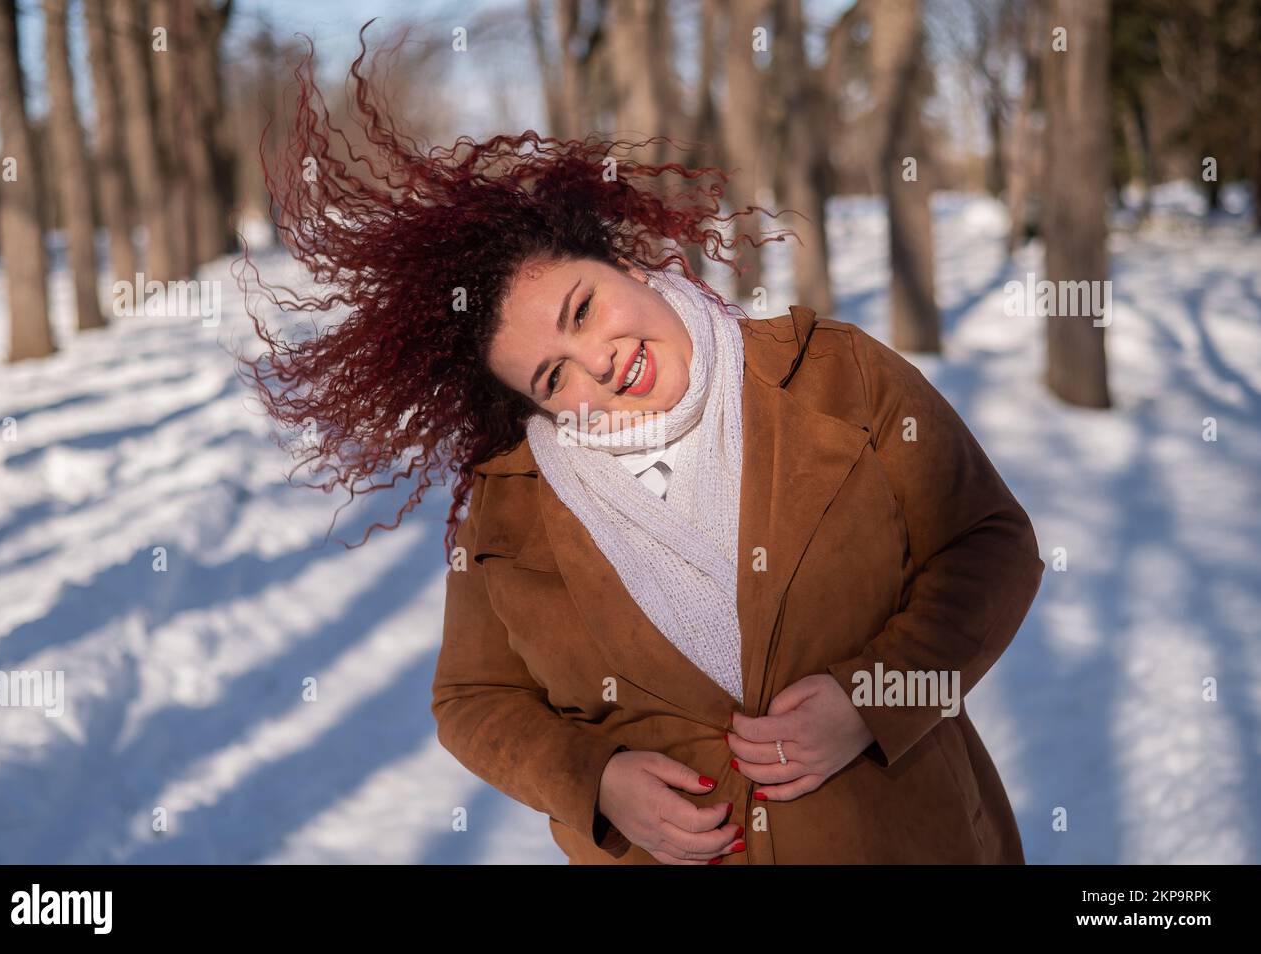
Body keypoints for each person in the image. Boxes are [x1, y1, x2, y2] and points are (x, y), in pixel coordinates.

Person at [238, 25, 1045, 865]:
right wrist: (594, 781)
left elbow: (989, 542)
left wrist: (874, 699)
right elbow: (472, 698)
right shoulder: (508, 512)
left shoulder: (832, 374)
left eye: (583, 310)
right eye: (553, 376)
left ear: (622, 262)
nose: (598, 363)